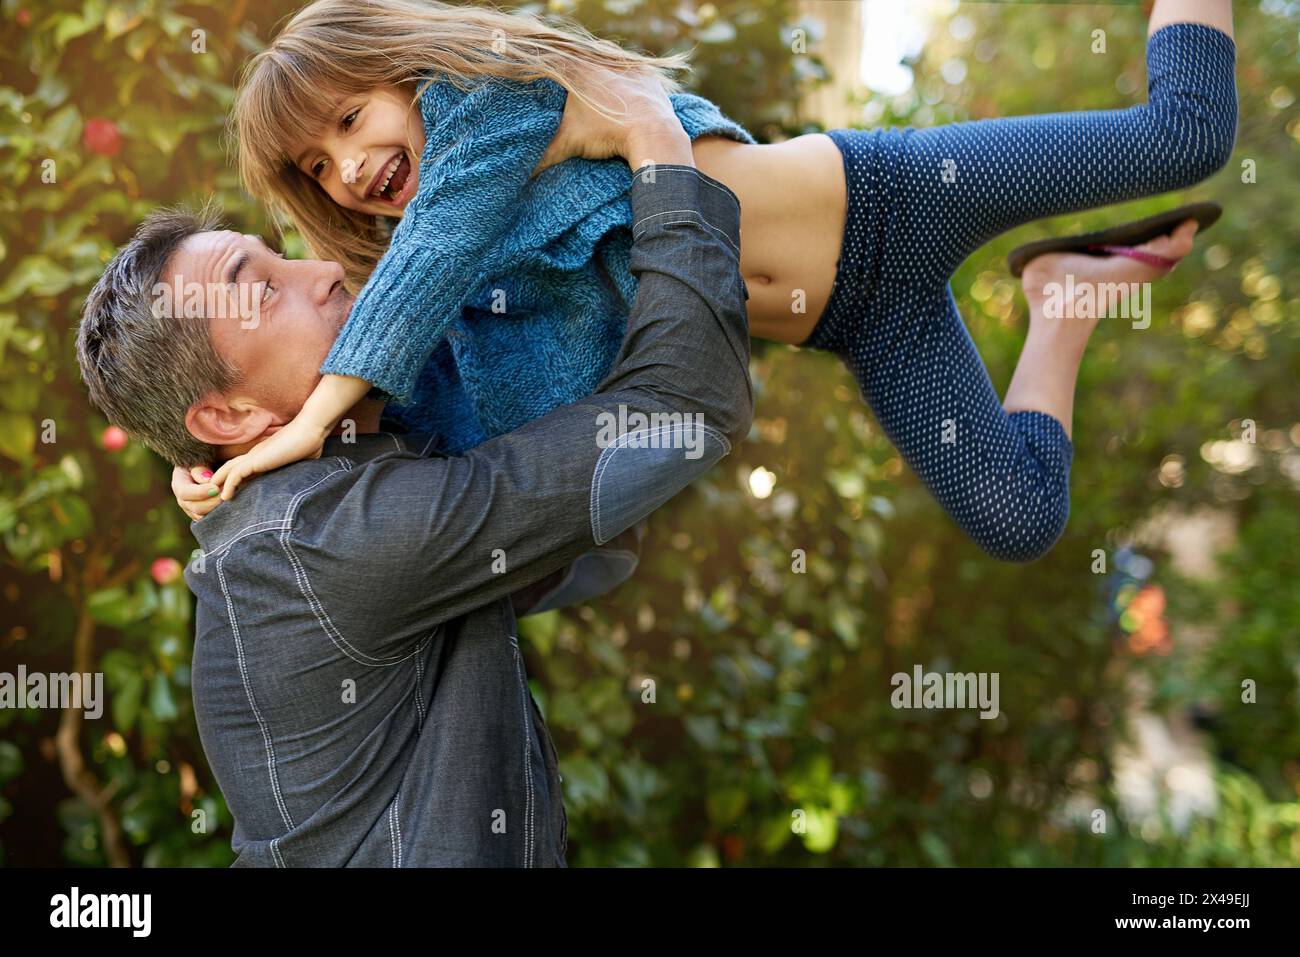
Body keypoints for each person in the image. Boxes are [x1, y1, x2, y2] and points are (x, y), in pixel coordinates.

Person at [178, 0, 1237, 564]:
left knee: (1184, 133)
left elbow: (430, 254)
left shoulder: (487, 102)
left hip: (896, 196)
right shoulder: (466, 269)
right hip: (860, 318)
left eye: (351, 121)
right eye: (318, 169)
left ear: (403, 73)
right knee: (1017, 515)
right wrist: (249, 470)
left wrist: (308, 422)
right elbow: (468, 405)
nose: (350, 169)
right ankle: (1063, 298)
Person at [75, 107, 753, 865]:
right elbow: (685, 407)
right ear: (229, 413)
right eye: (260, 288)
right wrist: (652, 136)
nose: (326, 268)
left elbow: (583, 534)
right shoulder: (329, 539)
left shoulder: (309, 509)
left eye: (280, 255)